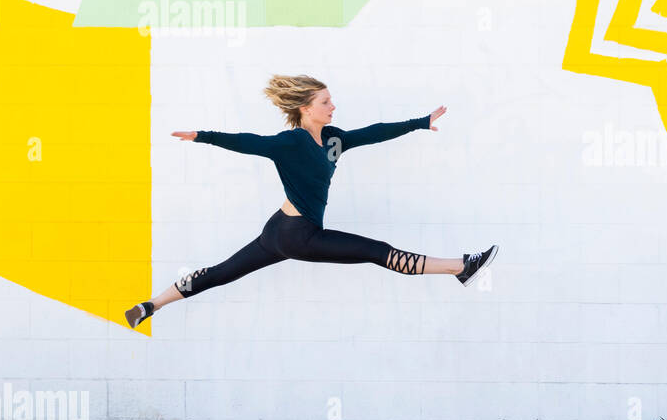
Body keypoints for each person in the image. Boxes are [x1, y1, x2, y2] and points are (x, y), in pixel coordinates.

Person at [124, 74, 497, 329]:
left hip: (279, 230)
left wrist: (419, 122)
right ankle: (461, 267)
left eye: (331, 100)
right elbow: (248, 141)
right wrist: (201, 136)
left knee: (222, 273)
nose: (333, 105)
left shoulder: (334, 139)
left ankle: (149, 306)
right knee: (378, 251)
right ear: (306, 107)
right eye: (325, 101)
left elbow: (373, 133)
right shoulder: (290, 142)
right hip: (295, 234)